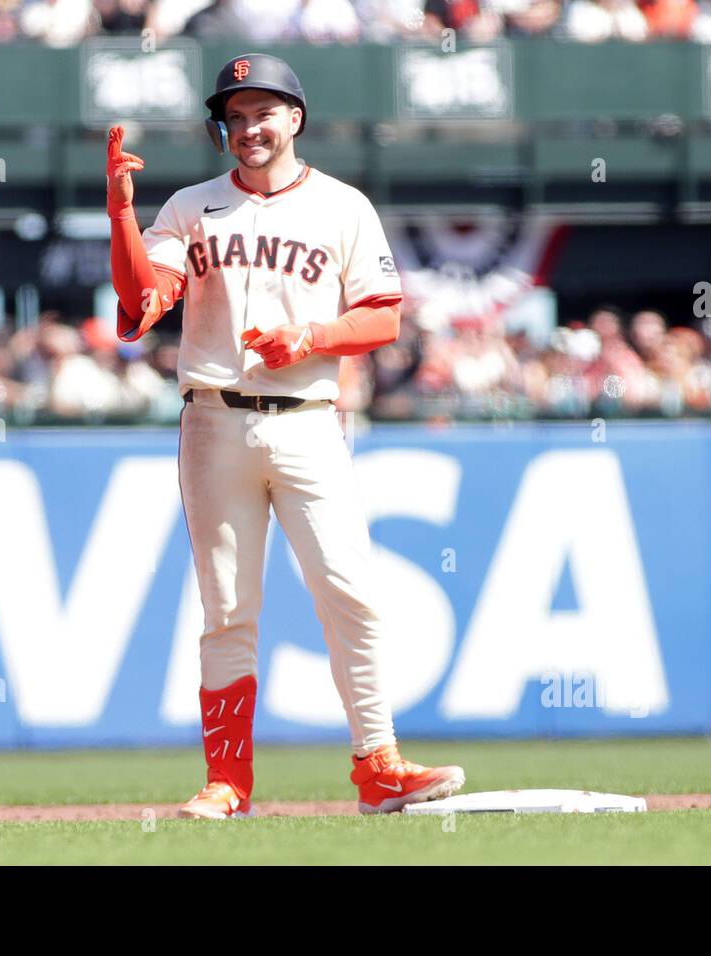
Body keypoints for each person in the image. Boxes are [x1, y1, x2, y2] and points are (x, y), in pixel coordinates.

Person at [106, 53, 465, 818]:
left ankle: (378, 765)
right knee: (228, 610)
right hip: (214, 421)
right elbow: (142, 305)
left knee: (351, 594)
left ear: (294, 119)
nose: (247, 128)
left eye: (263, 112)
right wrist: (120, 216)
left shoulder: (342, 206)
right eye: (233, 116)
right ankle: (229, 783)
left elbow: (383, 315)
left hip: (309, 420)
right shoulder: (190, 207)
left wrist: (310, 337)